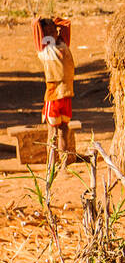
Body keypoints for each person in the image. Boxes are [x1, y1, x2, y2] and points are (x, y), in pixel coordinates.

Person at [33, 16, 74, 166]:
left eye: (54, 30)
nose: (53, 33)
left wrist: (55, 22)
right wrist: (37, 22)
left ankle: (63, 164)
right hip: (53, 96)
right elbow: (35, 28)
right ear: (43, 35)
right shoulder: (44, 49)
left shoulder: (63, 44)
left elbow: (67, 24)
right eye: (48, 32)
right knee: (53, 131)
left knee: (64, 129)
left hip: (66, 94)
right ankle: (51, 164)